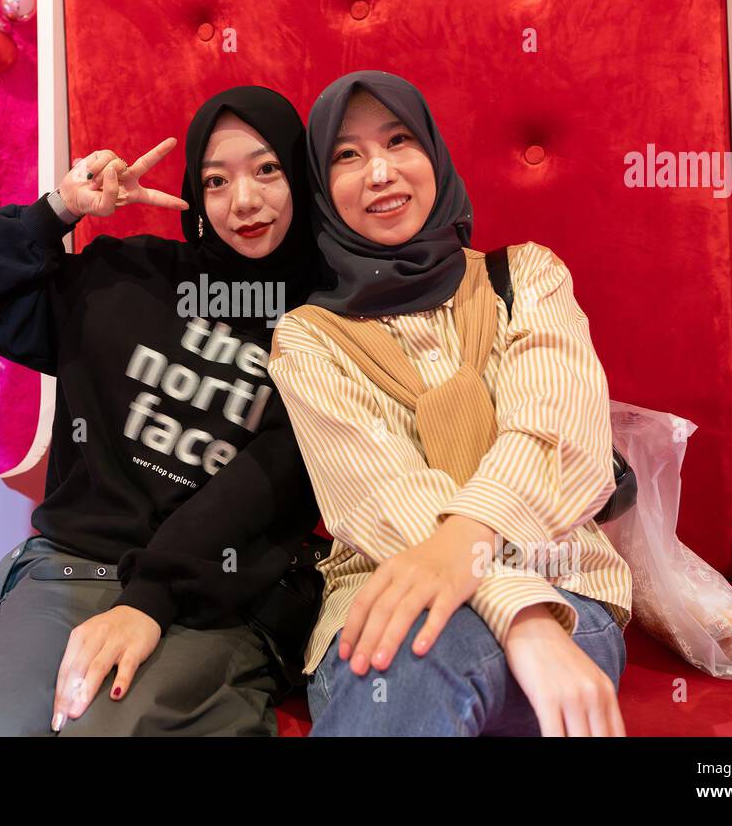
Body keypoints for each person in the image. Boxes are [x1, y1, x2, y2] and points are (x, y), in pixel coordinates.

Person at [0, 86, 324, 736]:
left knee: (110, 726)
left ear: (301, 178)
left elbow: (279, 485)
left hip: (220, 590)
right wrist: (58, 210)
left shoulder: (323, 322)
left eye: (267, 170)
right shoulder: (123, 279)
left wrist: (152, 598)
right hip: (73, 569)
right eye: (216, 181)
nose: (243, 201)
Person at [267, 70, 633, 736]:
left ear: (433, 155)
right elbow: (382, 497)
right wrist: (521, 616)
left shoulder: (527, 277)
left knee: (430, 652)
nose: (379, 172)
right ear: (322, 188)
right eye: (347, 156)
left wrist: (472, 556)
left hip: (567, 591)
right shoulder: (305, 339)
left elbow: (558, 440)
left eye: (398, 140)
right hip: (386, 600)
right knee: (423, 645)